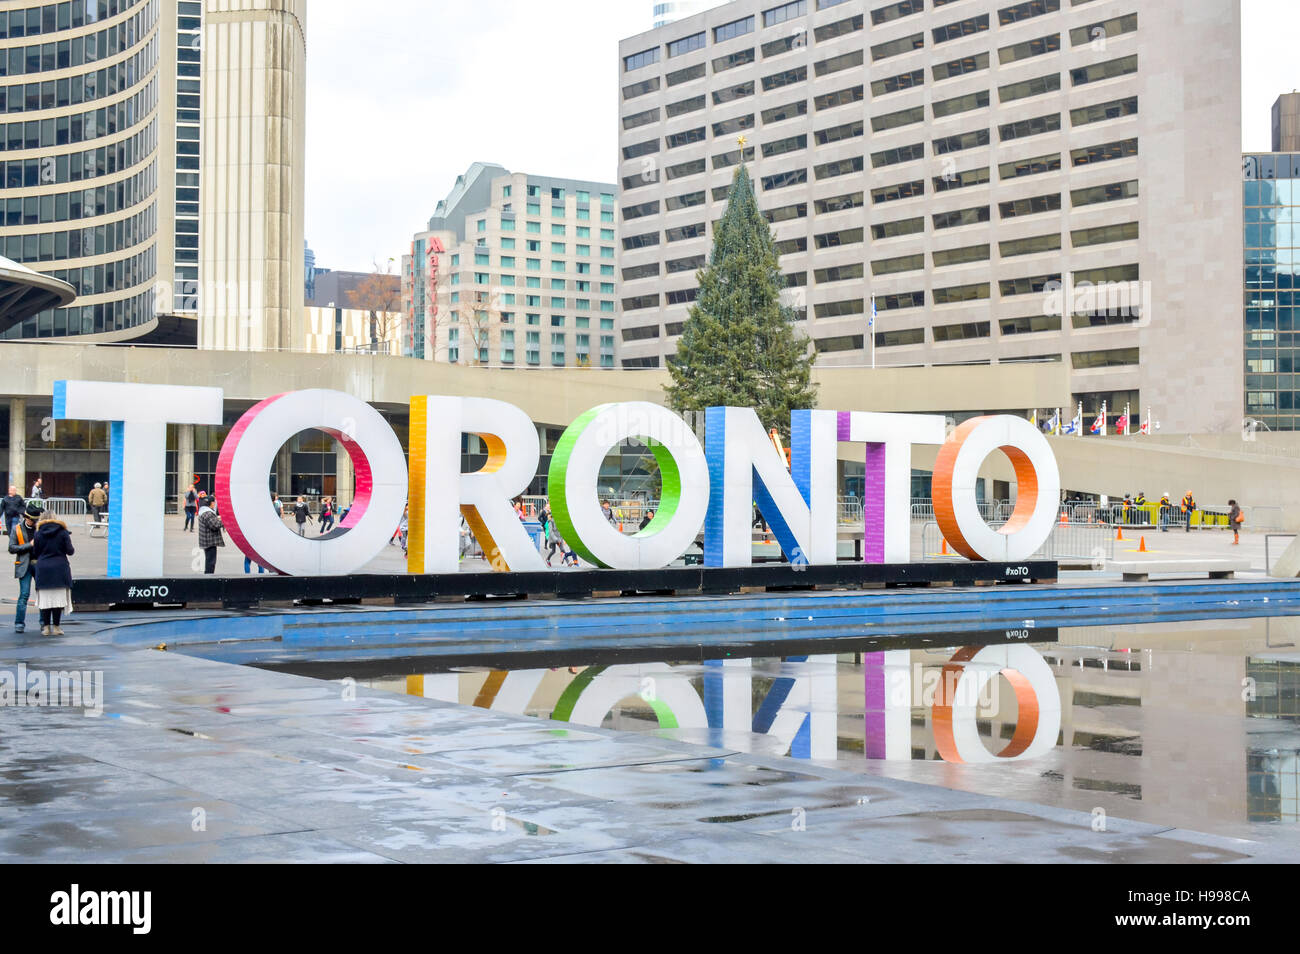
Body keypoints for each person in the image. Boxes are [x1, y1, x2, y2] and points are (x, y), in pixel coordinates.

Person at [32, 509, 74, 637]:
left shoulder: (38, 533)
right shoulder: (63, 532)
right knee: (58, 600)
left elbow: (35, 552)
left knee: (45, 601)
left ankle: (45, 627)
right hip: (60, 568)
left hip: (43, 568)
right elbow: (70, 551)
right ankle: (56, 626)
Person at [9, 500, 41, 633]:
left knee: (42, 594)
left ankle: (44, 622)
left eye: (36, 520)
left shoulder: (40, 528)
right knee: (24, 594)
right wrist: (30, 545)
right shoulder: (17, 529)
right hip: (25, 565)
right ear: (26, 518)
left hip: (39, 565)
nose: (34, 522)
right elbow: (11, 548)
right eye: (32, 520)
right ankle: (19, 623)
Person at [197, 495, 224, 574]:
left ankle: (208, 577)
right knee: (210, 563)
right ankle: (209, 579)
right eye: (214, 502)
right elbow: (214, 525)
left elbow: (211, 521)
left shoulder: (204, 511)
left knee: (209, 561)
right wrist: (225, 521)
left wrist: (218, 518)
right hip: (209, 541)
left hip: (206, 541)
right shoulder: (208, 513)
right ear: (212, 503)